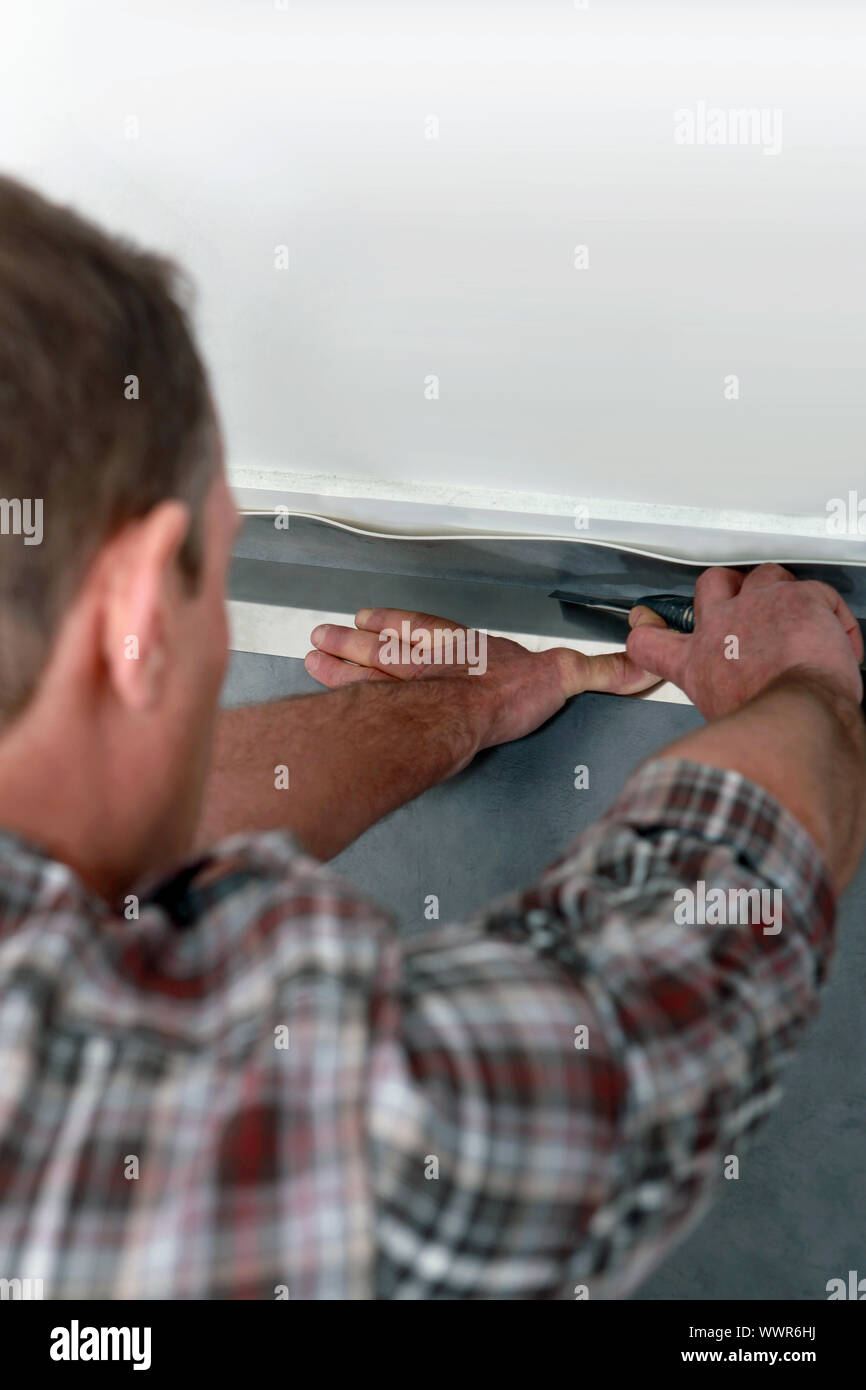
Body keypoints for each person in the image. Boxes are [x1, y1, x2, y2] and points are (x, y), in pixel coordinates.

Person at [0, 174, 863, 1300]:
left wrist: (471, 702)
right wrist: (802, 685)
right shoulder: (149, 1149)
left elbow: (87, 858)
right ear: (128, 616)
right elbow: (614, 1053)